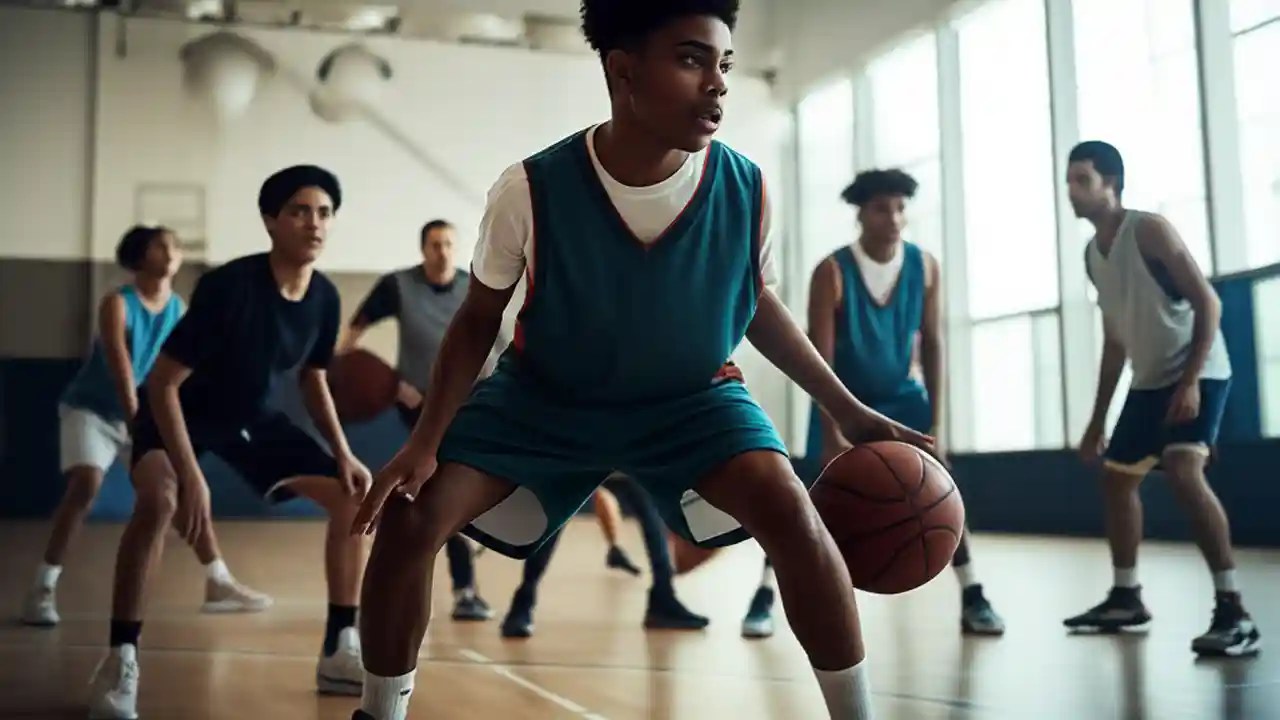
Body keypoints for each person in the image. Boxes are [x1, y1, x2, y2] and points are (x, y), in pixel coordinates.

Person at [349, 3, 937, 719]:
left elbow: (756, 303)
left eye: (724, 63)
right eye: (692, 60)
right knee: (412, 520)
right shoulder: (529, 188)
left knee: (790, 507)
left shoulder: (747, 187)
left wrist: (849, 409)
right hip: (543, 402)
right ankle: (379, 713)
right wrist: (424, 444)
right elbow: (476, 321)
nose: (717, 84)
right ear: (622, 70)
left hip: (692, 400)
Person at [87, 166, 373, 720]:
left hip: (251, 419)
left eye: (324, 212)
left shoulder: (326, 297)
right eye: (298, 211)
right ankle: (120, 658)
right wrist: (191, 474)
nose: (314, 223)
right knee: (160, 501)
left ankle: (340, 648)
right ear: (270, 221)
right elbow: (164, 382)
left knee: (351, 495)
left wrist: (342, 451)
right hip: (179, 413)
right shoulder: (229, 286)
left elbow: (314, 379)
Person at [741, 169, 1005, 639]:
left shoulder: (925, 266)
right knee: (800, 500)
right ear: (861, 213)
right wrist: (830, 427)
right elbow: (820, 356)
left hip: (905, 399)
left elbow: (935, 344)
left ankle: (973, 593)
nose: (895, 217)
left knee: (938, 495)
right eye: (883, 207)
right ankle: (763, 595)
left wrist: (938, 423)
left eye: (901, 207)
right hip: (844, 400)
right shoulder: (832, 271)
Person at [1064, 140, 1261, 657]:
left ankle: (1234, 610)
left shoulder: (1148, 229)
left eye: (1082, 179)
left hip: (1201, 368)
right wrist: (1095, 421)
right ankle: (1127, 596)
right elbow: (1113, 345)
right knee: (1115, 480)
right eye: (1068, 180)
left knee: (1182, 469)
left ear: (1112, 184)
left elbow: (1208, 302)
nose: (1072, 190)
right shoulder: (1092, 256)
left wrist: (1192, 379)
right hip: (1149, 379)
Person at [21, 226, 270, 628]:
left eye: (175, 245)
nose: (172, 251)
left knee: (173, 489)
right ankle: (43, 587)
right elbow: (123, 372)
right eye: (162, 245)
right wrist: (142, 424)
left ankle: (218, 580)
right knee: (86, 483)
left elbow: (186, 375)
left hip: (142, 414)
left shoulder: (178, 309)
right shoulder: (117, 304)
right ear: (140, 255)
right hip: (95, 411)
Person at [339, 219, 492, 622]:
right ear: (423, 249)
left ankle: (460, 550)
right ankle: (462, 589)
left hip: (470, 402)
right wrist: (388, 381)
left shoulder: (473, 287)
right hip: (419, 404)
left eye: (448, 244)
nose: (442, 251)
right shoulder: (397, 286)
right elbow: (352, 332)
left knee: (448, 487)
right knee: (441, 482)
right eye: (435, 244)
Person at [499, 473, 709, 638]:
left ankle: (664, 598)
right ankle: (523, 602)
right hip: (586, 440)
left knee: (650, 510)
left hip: (621, 438)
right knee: (557, 514)